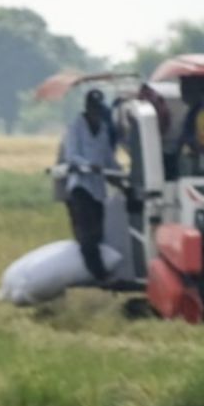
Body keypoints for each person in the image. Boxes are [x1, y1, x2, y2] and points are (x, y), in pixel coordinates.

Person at [55, 90, 123, 282]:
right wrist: (87, 165)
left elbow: (109, 159)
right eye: (93, 109)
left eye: (99, 110)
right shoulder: (75, 128)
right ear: (87, 108)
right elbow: (72, 155)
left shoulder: (102, 130)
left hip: (98, 189)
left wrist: (122, 178)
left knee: (100, 233)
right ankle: (99, 274)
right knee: (88, 236)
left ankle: (96, 272)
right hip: (81, 187)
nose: (96, 114)